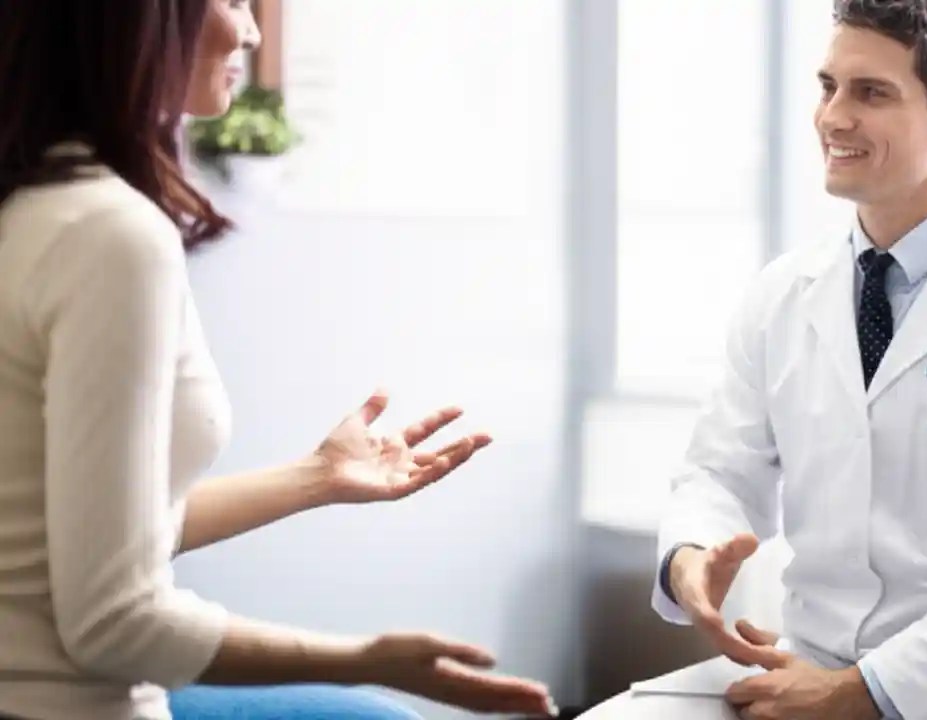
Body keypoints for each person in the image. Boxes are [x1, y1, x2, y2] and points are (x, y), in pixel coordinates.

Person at [0, 2, 555, 719]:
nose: (254, 32)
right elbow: (114, 622)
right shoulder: (107, 234)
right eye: (232, 1)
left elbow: (59, 538)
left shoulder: (32, 204)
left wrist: (315, 478)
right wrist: (367, 660)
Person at [614, 1, 927, 718]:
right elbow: (720, 471)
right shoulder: (782, 294)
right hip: (811, 657)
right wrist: (691, 556)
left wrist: (861, 694)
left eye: (871, 93)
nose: (832, 117)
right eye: (828, 86)